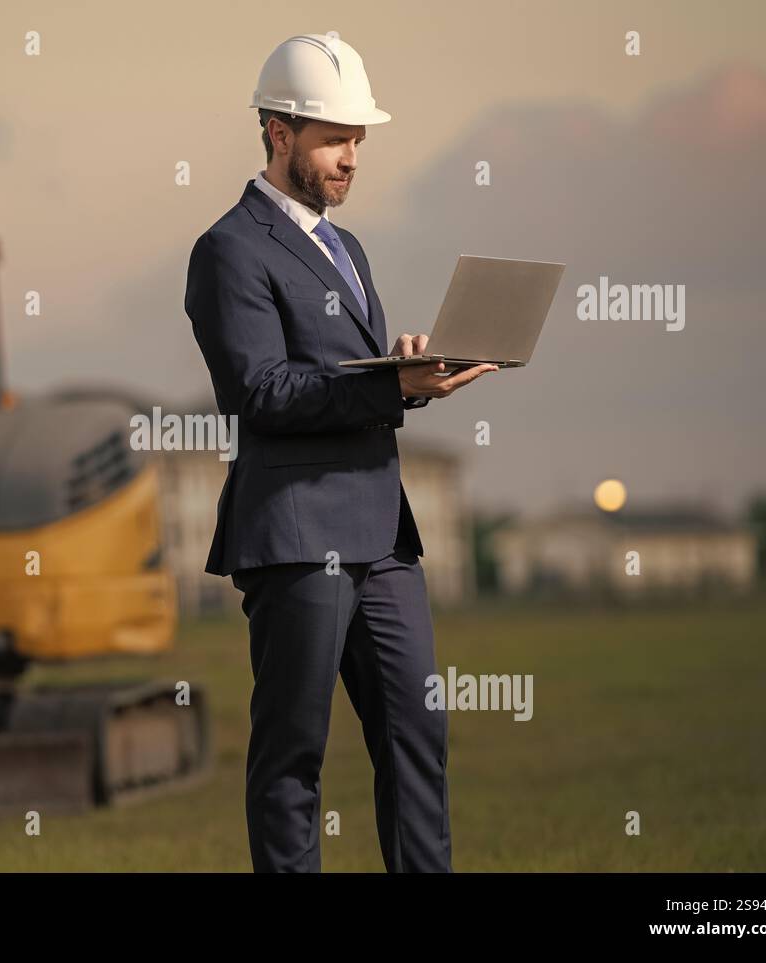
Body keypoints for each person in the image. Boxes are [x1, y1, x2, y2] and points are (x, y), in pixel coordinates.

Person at [184, 34, 496, 872]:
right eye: (333, 137)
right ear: (277, 133)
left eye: (358, 139)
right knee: (294, 755)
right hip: (295, 535)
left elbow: (336, 377)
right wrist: (396, 387)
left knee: (418, 739)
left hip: (382, 535)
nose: (351, 156)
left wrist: (403, 366)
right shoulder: (228, 249)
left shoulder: (346, 248)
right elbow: (262, 393)